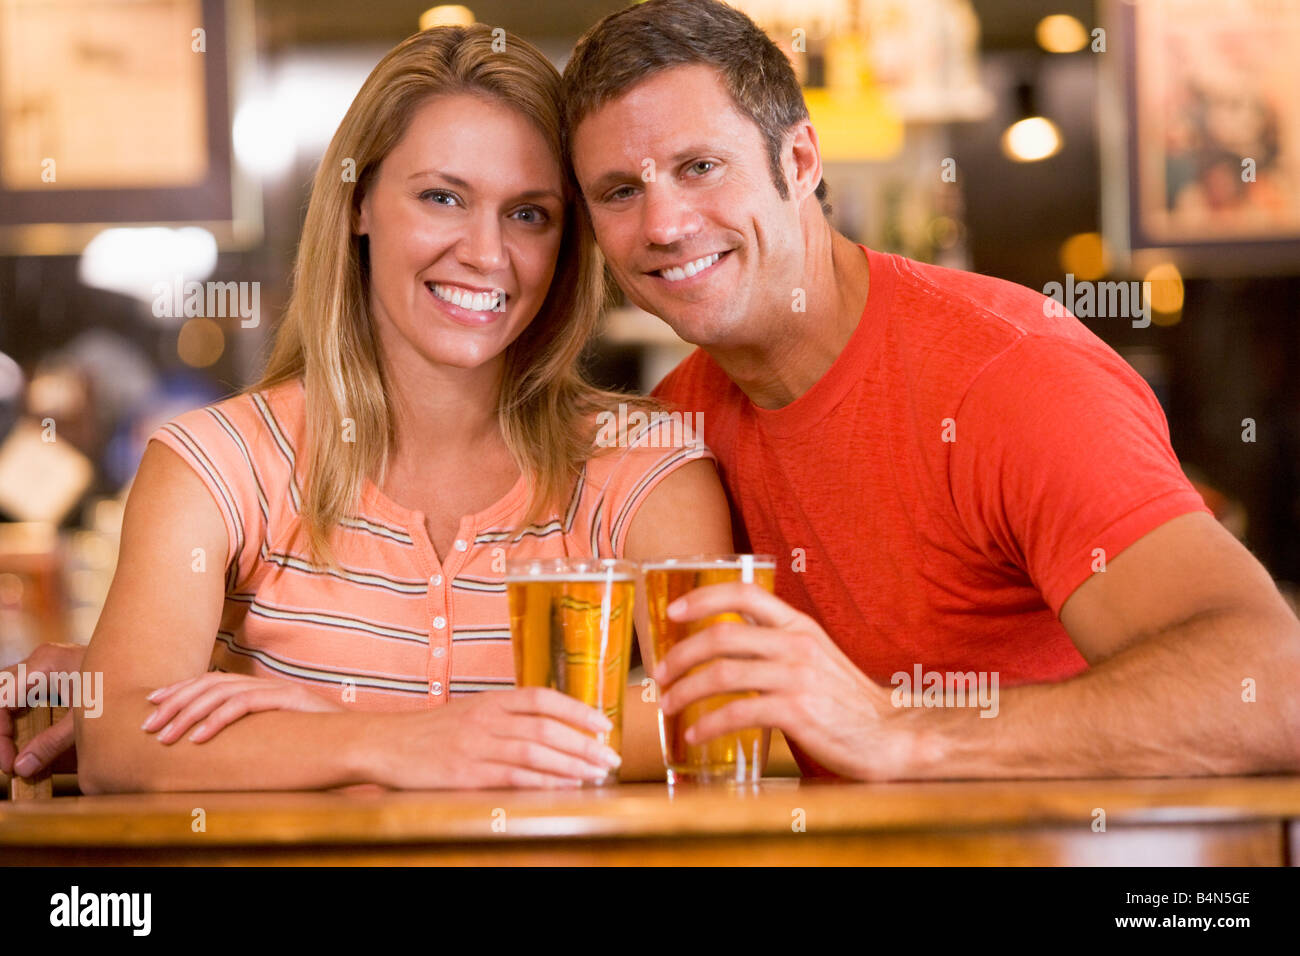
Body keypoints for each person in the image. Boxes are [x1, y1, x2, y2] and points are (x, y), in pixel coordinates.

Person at [561, 0, 1300, 779]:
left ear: (801, 162)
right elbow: (694, 720)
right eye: (618, 192)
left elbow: (1272, 687)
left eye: (699, 167)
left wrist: (906, 733)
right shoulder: (677, 424)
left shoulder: (1008, 374)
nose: (664, 224)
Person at [1, 25, 734, 793]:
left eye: (528, 214)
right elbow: (119, 741)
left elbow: (717, 714)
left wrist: (324, 730)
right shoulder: (216, 460)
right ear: (358, 204)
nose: (487, 253)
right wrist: (399, 742)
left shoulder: (642, 458)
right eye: (441, 197)